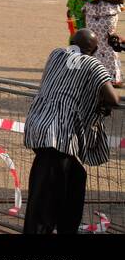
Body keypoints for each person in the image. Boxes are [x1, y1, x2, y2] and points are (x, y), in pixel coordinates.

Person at [23, 29, 119, 234]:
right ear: (94, 50)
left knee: (75, 179)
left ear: (71, 42)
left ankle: (66, 227)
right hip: (60, 135)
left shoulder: (56, 54)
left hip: (40, 127)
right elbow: (113, 99)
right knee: (45, 200)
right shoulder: (93, 64)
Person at [80, 0, 124, 84]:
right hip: (91, 15)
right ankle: (95, 77)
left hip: (108, 16)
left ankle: (113, 78)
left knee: (109, 44)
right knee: (93, 45)